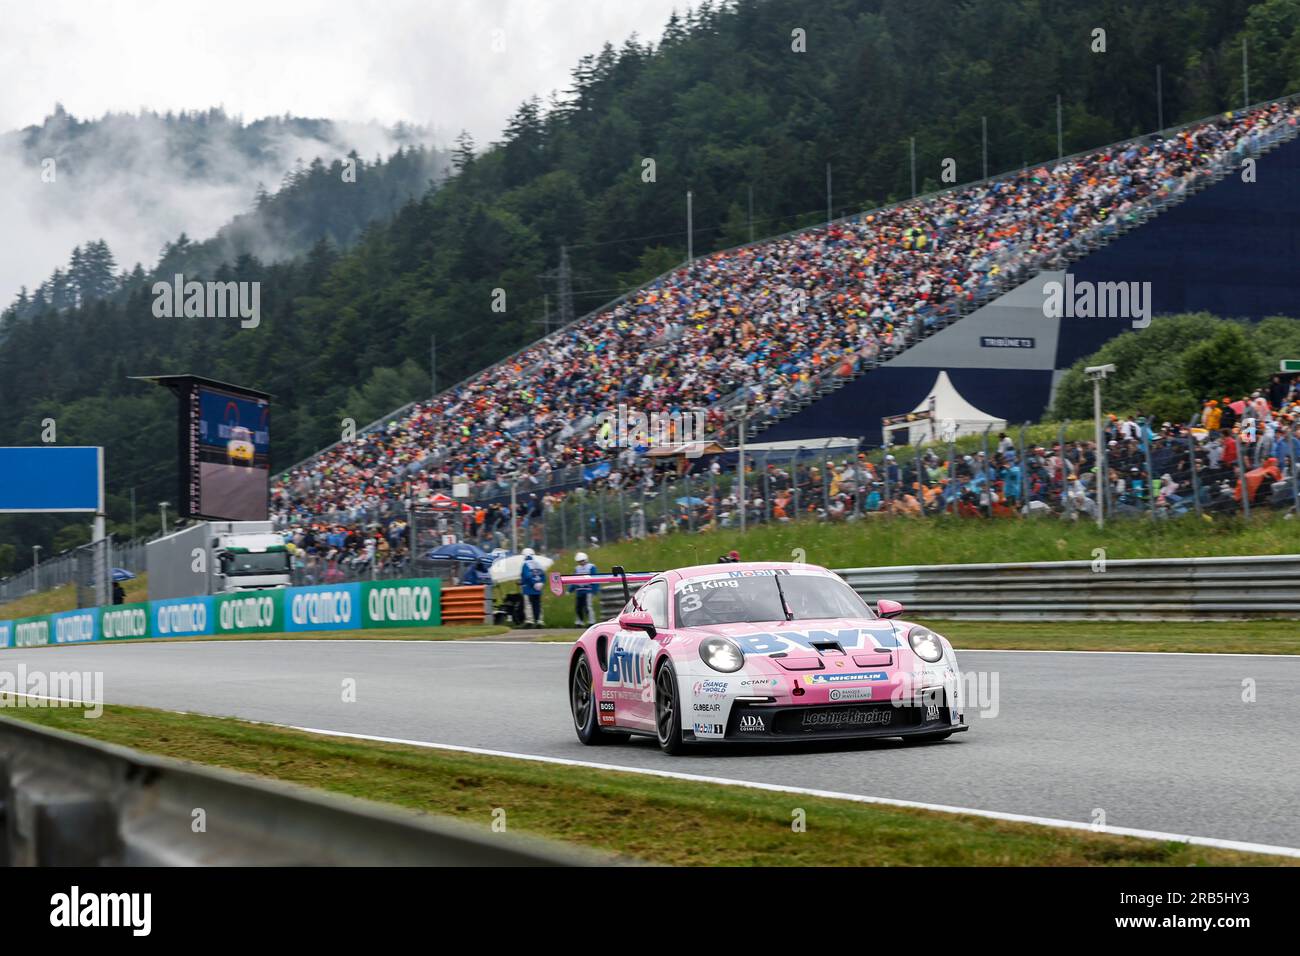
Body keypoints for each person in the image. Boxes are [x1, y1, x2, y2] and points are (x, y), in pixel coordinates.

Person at [569, 551, 599, 627]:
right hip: (579, 590)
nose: (581, 563)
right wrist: (570, 589)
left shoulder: (591, 567)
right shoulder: (577, 569)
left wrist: (594, 590)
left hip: (588, 590)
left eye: (582, 561)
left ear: (586, 559)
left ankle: (591, 621)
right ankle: (579, 621)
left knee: (588, 606)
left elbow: (595, 579)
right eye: (579, 561)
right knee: (578, 607)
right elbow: (574, 579)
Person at [519, 548, 545, 628]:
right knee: (538, 605)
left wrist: (523, 582)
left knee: (528, 605)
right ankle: (539, 621)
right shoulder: (538, 564)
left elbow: (527, 576)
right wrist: (541, 583)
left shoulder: (525, 564)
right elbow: (543, 575)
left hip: (528, 588)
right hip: (538, 589)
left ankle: (529, 621)